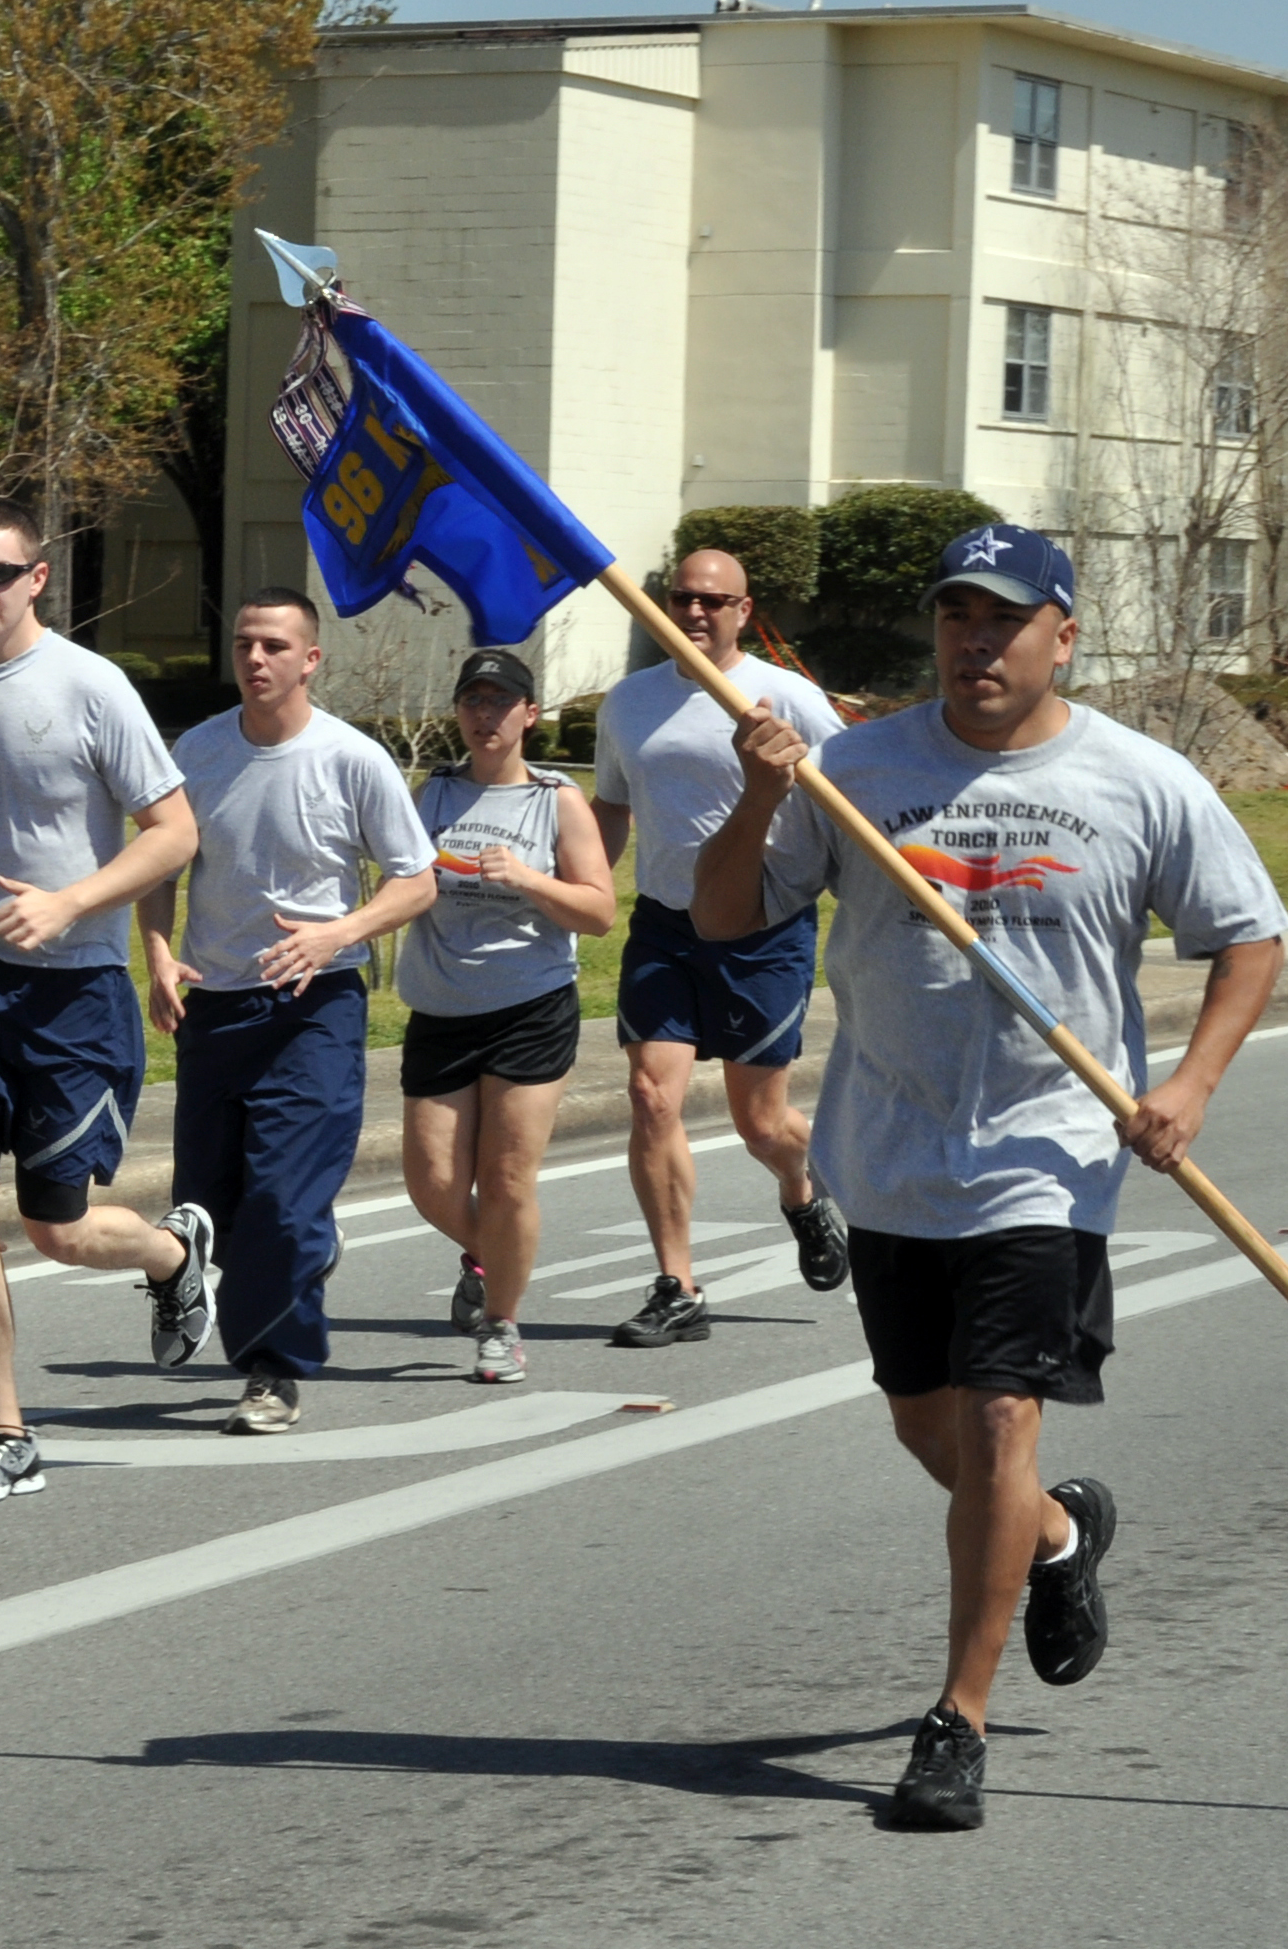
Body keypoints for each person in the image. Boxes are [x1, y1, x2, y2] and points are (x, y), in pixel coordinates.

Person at [690, 522, 1284, 1830]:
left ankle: (953, 1719)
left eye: (1006, 618)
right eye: (958, 615)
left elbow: (1252, 935)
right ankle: (1057, 1538)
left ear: (1062, 635)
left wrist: (1185, 1087)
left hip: (1051, 1155)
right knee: (932, 1426)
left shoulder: (1138, 779)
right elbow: (726, 914)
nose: (976, 639)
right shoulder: (858, 767)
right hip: (893, 1153)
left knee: (1003, 1414)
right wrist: (757, 793)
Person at [0, 501, 206, 1505]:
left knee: (56, 1228)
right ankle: (5, 1431)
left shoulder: (90, 687)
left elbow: (173, 832)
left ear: (37, 579)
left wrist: (72, 901)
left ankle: (169, 1253)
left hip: (75, 994)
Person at [137, 589, 436, 1432]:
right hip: (216, 1006)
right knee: (211, 1206)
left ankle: (273, 1368)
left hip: (317, 1003)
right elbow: (158, 868)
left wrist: (338, 932)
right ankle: (298, 1255)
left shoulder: (352, 758)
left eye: (274, 645)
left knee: (282, 1202)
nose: (256, 659)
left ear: (311, 660)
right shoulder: (195, 752)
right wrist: (158, 954)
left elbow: (417, 880)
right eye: (243, 644)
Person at [591, 547, 850, 1345]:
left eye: (714, 601)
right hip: (667, 923)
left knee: (761, 1124)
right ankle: (678, 1285)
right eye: (682, 599)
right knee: (651, 1096)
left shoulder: (792, 700)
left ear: (745, 611)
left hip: (763, 927)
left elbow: (851, 803)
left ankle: (806, 1191)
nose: (696, 613)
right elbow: (609, 808)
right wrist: (579, 888)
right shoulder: (628, 704)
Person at [397, 648, 618, 1384]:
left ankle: (502, 1321)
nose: (485, 715)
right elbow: (394, 883)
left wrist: (526, 878)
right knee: (430, 1182)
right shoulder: (428, 798)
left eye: (501, 702)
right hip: (440, 1007)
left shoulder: (556, 800)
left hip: (530, 1007)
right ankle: (491, 1252)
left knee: (508, 1179)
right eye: (473, 702)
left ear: (530, 714)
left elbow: (600, 912)